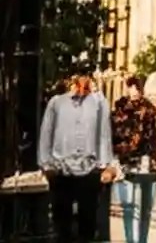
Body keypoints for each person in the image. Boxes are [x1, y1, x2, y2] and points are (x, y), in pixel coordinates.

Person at [38, 72, 117, 243]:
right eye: (77, 79)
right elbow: (46, 133)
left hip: (89, 171)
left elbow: (104, 134)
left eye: (85, 78)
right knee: (62, 227)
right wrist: (46, 165)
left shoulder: (99, 103)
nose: (81, 83)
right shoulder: (56, 103)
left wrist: (107, 165)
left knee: (87, 226)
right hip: (61, 171)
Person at [112, 75, 156, 243]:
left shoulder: (150, 110)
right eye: (131, 87)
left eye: (136, 88)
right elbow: (114, 136)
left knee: (145, 209)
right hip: (126, 162)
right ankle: (131, 240)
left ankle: (142, 240)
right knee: (128, 208)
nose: (133, 91)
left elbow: (154, 138)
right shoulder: (120, 109)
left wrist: (155, 157)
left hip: (146, 163)